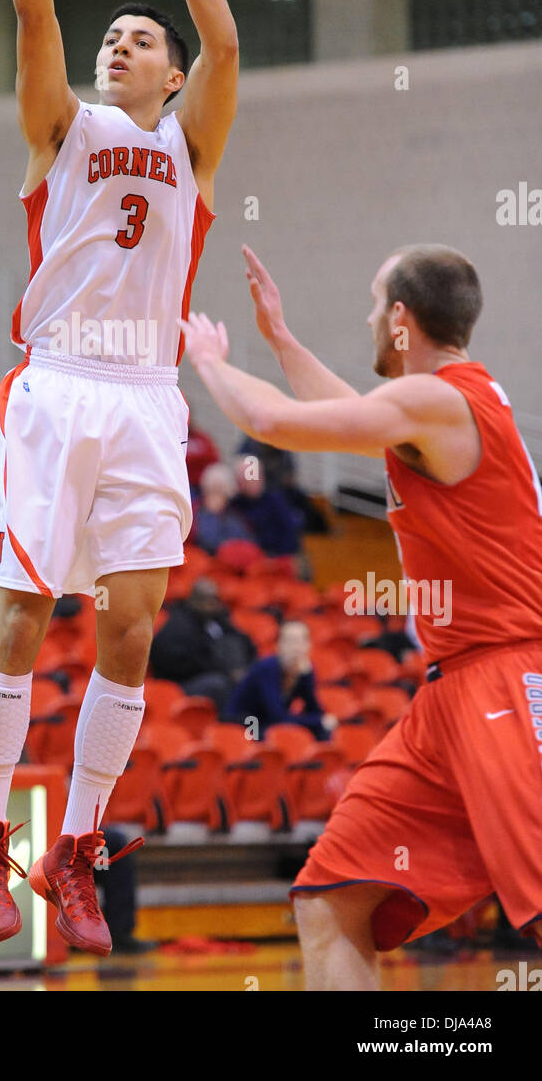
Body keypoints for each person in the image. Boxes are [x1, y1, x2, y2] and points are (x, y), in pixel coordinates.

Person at [0, 0, 239, 958]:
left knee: (130, 627)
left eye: (141, 43)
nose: (119, 47)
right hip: (59, 383)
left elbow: (226, 41)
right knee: (24, 612)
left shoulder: (192, 142)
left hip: (144, 400)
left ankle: (76, 849)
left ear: (170, 78)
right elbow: (34, 22)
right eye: (112, 38)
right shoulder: (62, 129)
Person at [181, 241, 542, 989]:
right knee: (330, 899)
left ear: (401, 319)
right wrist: (280, 340)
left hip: (505, 677)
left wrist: (207, 359)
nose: (369, 316)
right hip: (448, 696)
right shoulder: (433, 404)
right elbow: (349, 411)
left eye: (376, 303)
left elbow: (275, 423)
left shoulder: (442, 400)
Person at [150, 577, 256, 712]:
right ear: (193, 601)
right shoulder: (178, 626)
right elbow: (173, 661)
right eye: (208, 600)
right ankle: (230, 721)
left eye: (216, 600)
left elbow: (241, 641)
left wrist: (241, 668)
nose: (214, 605)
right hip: (182, 683)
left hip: (222, 672)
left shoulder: (218, 619)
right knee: (218, 684)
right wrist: (227, 671)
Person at [224, 620, 336, 740]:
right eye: (290, 641)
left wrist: (306, 677)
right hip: (245, 724)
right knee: (280, 736)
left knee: (322, 733)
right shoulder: (267, 668)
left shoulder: (305, 670)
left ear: (309, 645)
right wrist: (318, 721)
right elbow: (278, 717)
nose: (296, 647)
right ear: (278, 645)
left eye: (301, 641)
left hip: (269, 724)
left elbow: (314, 710)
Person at [190, 461, 255, 554]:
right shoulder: (196, 512)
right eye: (212, 491)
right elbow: (208, 542)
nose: (216, 497)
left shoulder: (233, 514)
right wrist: (212, 514)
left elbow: (247, 541)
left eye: (220, 491)